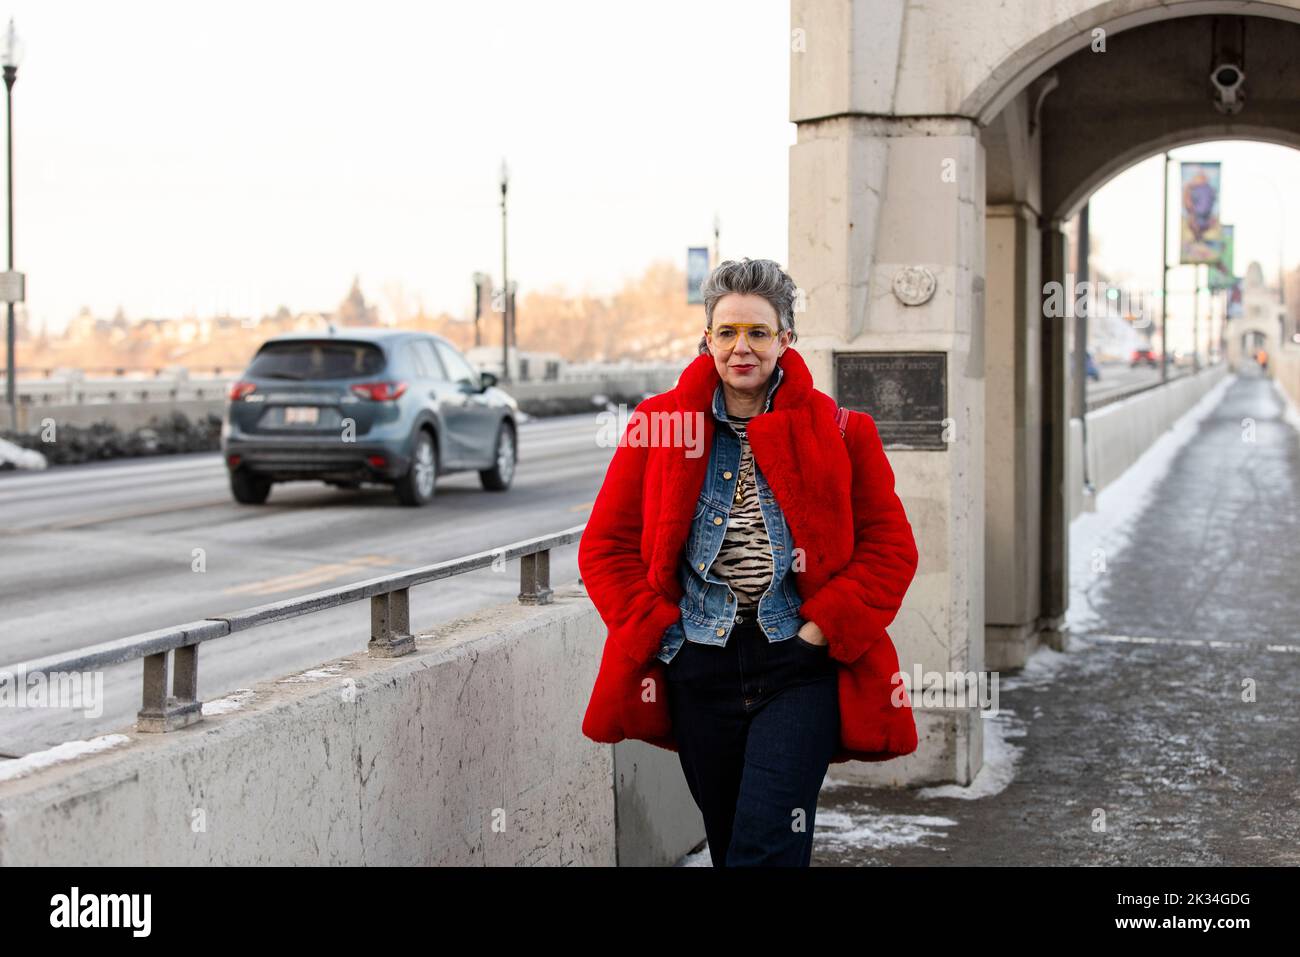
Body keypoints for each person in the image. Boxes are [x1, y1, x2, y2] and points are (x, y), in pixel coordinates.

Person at [579, 258, 920, 866]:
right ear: (706, 339)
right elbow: (604, 548)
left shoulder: (844, 432)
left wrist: (820, 632)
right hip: (697, 668)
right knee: (731, 845)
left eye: (759, 332)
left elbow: (891, 549)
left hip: (795, 666)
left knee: (767, 848)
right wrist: (664, 636)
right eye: (728, 332)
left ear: (785, 340)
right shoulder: (659, 427)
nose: (743, 347)